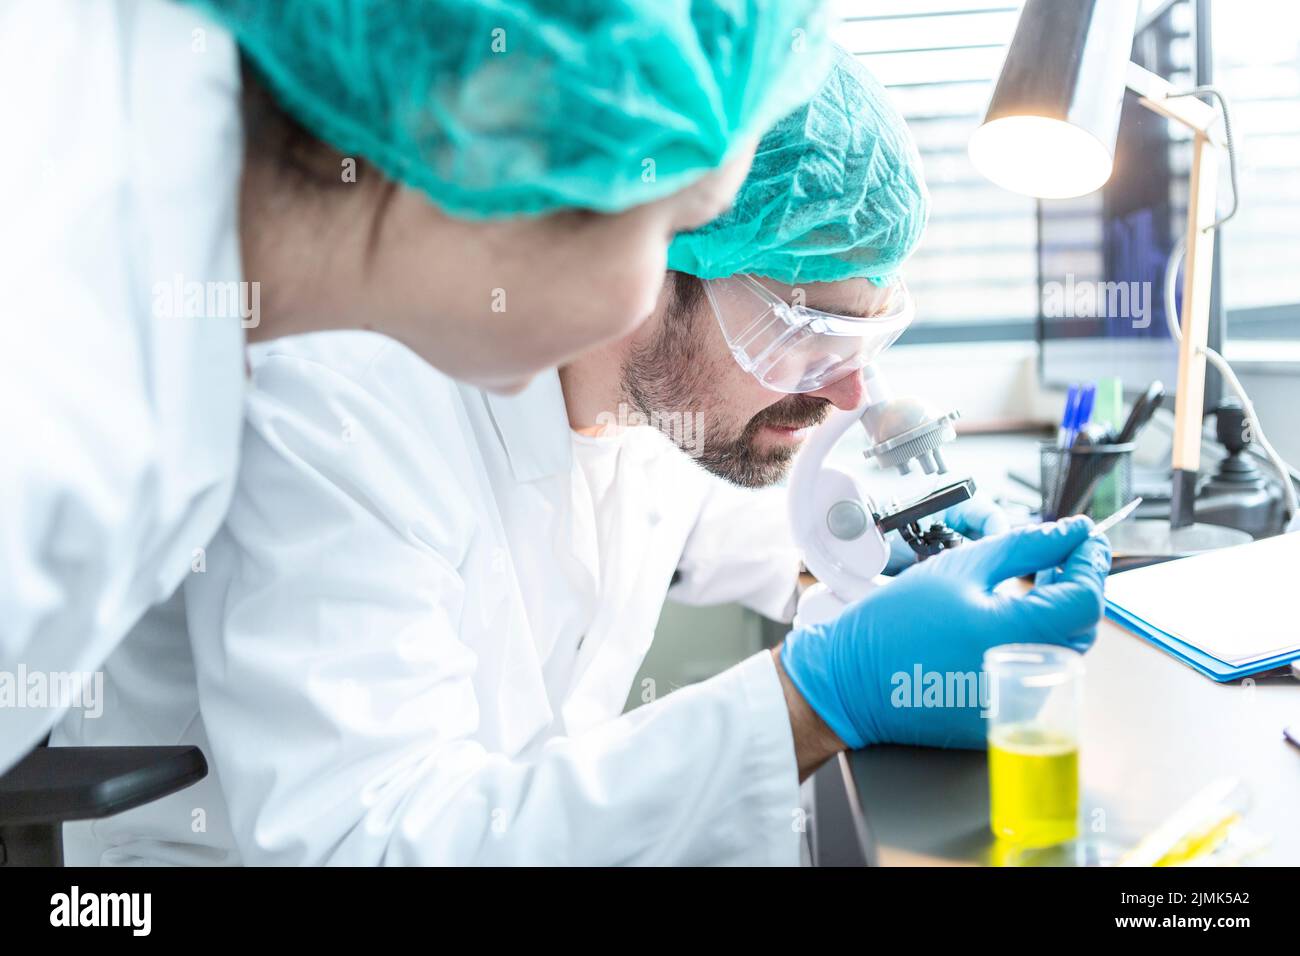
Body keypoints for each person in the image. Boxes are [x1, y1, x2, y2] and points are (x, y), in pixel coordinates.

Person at [56, 48, 1110, 865]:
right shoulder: (337, 403)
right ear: (659, 250)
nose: (847, 392)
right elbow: (372, 840)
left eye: (868, 343)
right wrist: (813, 695)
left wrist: (890, 552)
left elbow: (742, 526)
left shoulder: (650, 392)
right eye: (804, 333)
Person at [0, 0, 831, 773]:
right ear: (499, 121)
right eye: (673, 227)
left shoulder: (172, 228)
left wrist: (849, 539)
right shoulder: (80, 410)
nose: (653, 295)